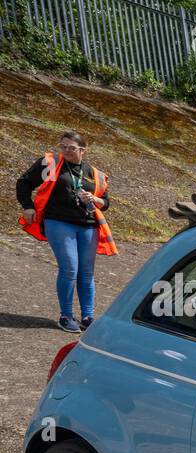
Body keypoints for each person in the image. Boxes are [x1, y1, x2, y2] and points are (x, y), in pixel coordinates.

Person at [17, 130, 118, 333]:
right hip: (59, 221)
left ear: (83, 150)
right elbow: (24, 183)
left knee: (86, 272)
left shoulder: (95, 174)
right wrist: (28, 206)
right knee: (70, 268)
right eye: (62, 146)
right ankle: (65, 315)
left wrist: (96, 200)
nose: (65, 151)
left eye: (71, 148)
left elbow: (105, 202)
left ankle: (88, 316)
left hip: (88, 224)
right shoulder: (51, 163)